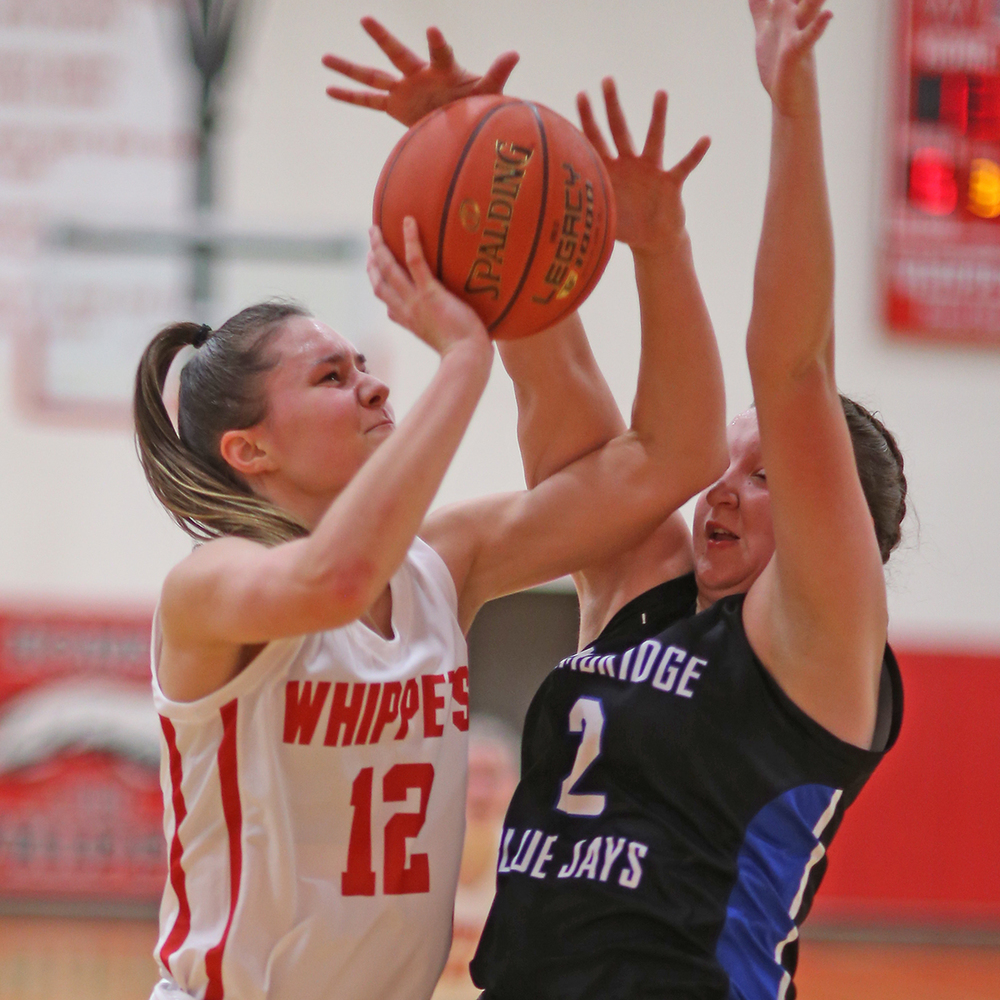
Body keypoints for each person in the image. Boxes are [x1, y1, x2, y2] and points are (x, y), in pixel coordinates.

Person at [138, 25, 725, 1000]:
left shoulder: (438, 567)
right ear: (250, 450)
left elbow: (672, 458)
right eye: (332, 376)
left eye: (366, 365)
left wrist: (629, 249)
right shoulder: (211, 588)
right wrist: (464, 359)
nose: (372, 387)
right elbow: (331, 579)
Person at [466, 3, 908, 998]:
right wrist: (471, 148)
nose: (723, 484)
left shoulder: (820, 642)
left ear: (834, 524)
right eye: (728, 459)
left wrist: (791, 101)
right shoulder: (642, 583)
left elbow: (790, 367)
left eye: (765, 475)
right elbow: (551, 379)